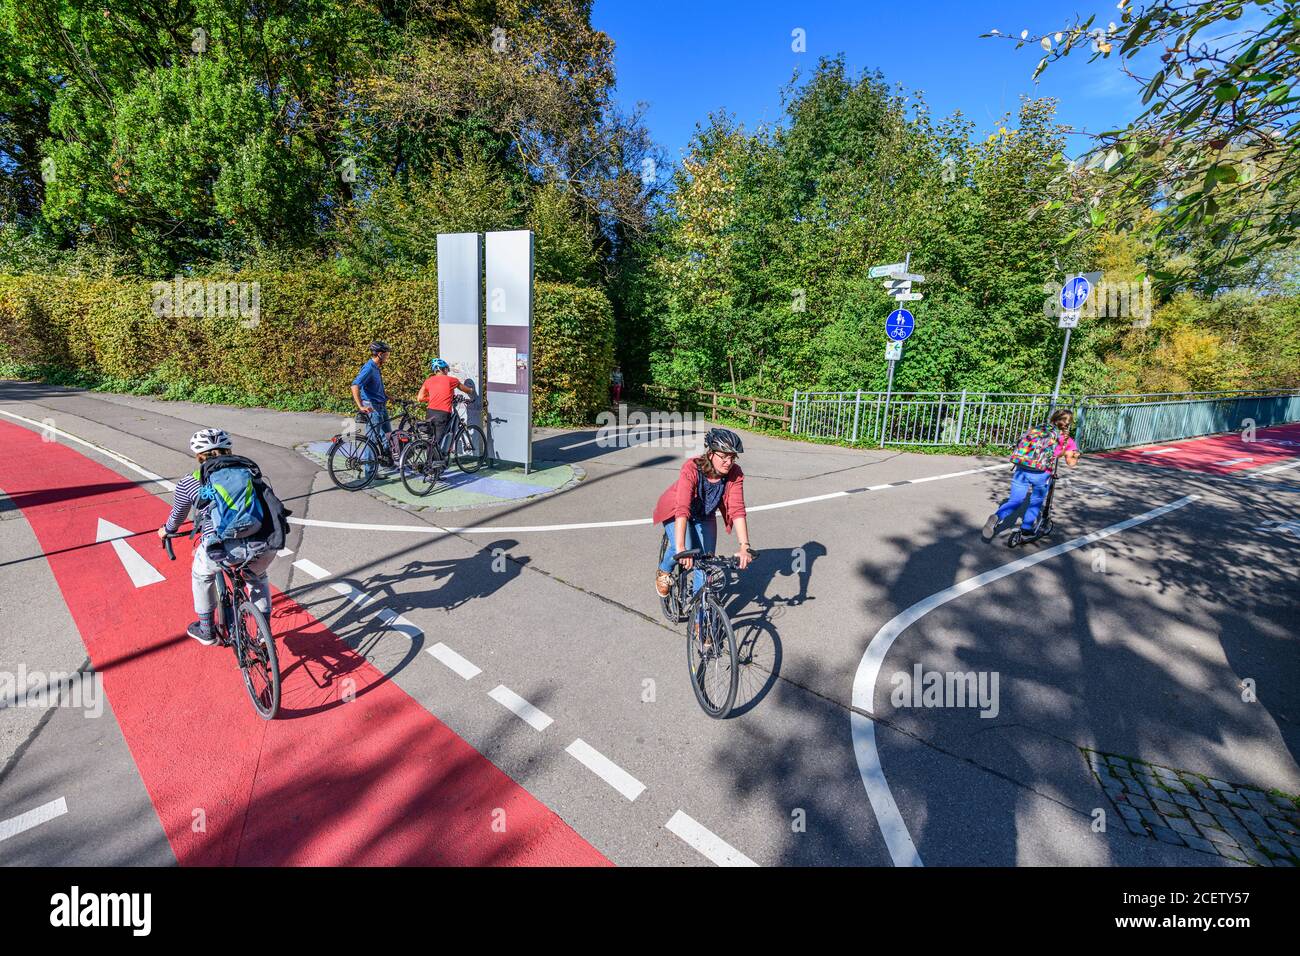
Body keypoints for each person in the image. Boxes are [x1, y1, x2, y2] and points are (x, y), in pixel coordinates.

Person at [157, 429, 277, 646]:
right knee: (257, 578)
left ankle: (207, 630)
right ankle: (264, 635)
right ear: (229, 450)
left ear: (198, 456)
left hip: (221, 547)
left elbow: (177, 517)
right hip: (263, 543)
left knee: (202, 575)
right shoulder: (249, 472)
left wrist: (166, 530)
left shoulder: (191, 482)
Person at [653, 427, 755, 597]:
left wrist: (744, 547)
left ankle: (700, 615)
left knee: (706, 561)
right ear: (711, 453)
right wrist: (681, 548)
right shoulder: (691, 468)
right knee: (686, 547)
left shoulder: (734, 473)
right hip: (675, 511)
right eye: (723, 456)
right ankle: (664, 571)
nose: (728, 462)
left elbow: (737, 509)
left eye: (732, 457)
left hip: (705, 515)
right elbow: (682, 508)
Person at [982, 408, 1081, 541]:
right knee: (1035, 502)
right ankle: (1026, 529)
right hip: (1041, 474)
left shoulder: (1037, 430)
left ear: (1053, 419)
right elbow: (1071, 463)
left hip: (1022, 469)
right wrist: (1076, 455)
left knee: (1015, 500)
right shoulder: (1067, 440)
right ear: (1069, 424)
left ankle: (997, 516)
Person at [416, 357, 474, 456]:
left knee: (431, 439)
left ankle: (429, 463)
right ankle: (433, 466)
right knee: (439, 440)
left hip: (430, 412)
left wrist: (433, 398)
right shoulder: (452, 380)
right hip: (442, 413)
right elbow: (467, 390)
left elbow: (420, 398)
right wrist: (473, 390)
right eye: (447, 369)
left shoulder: (428, 380)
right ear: (444, 369)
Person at [351, 341, 392, 466]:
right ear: (380, 354)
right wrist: (361, 406)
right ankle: (370, 472)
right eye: (387, 354)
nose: (388, 357)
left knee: (388, 436)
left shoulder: (376, 368)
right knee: (372, 440)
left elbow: (373, 388)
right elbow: (355, 385)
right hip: (373, 408)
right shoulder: (369, 368)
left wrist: (388, 396)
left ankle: (386, 462)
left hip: (381, 406)